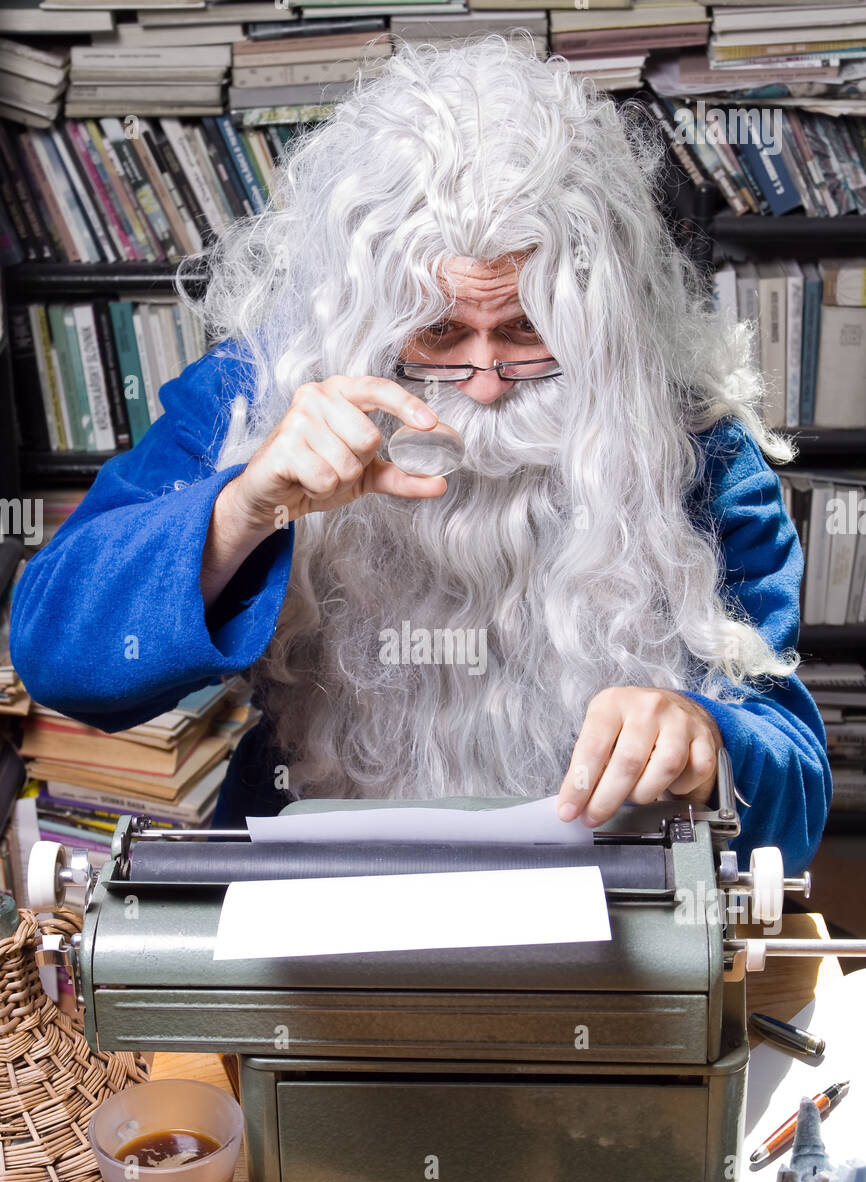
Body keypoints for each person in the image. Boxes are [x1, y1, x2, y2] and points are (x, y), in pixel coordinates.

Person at [10, 36, 831, 871]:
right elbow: (59, 662)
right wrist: (242, 506)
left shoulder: (694, 445)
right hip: (310, 907)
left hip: (611, 918)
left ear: (596, 315)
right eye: (437, 334)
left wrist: (709, 740)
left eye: (527, 331)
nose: (483, 382)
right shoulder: (255, 402)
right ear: (364, 316)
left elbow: (795, 794)